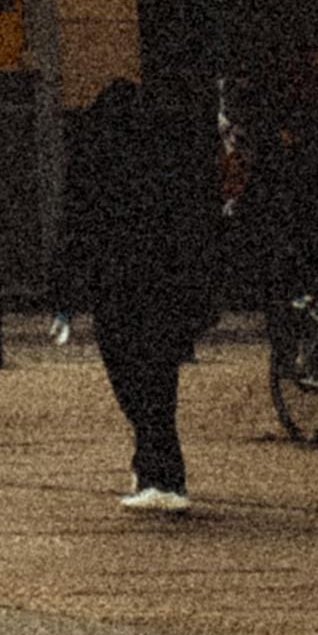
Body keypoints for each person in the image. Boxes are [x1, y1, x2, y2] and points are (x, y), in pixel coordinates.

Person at [59, 62, 216, 517]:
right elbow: (194, 223)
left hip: (118, 286)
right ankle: (155, 465)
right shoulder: (169, 161)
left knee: (131, 376)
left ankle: (159, 470)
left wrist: (66, 289)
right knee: (158, 377)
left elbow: (78, 224)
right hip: (164, 283)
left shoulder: (95, 161)